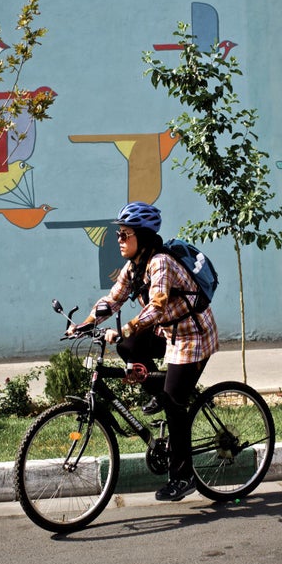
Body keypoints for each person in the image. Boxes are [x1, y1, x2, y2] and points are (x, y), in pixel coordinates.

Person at [71, 201, 219, 502]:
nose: (119, 240)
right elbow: (113, 300)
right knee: (128, 347)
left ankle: (183, 476)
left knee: (174, 403)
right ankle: (158, 388)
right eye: (119, 234)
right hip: (168, 332)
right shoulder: (134, 266)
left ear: (143, 236)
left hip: (193, 336)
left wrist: (124, 328)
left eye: (125, 234)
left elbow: (157, 306)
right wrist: (85, 324)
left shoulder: (160, 263)